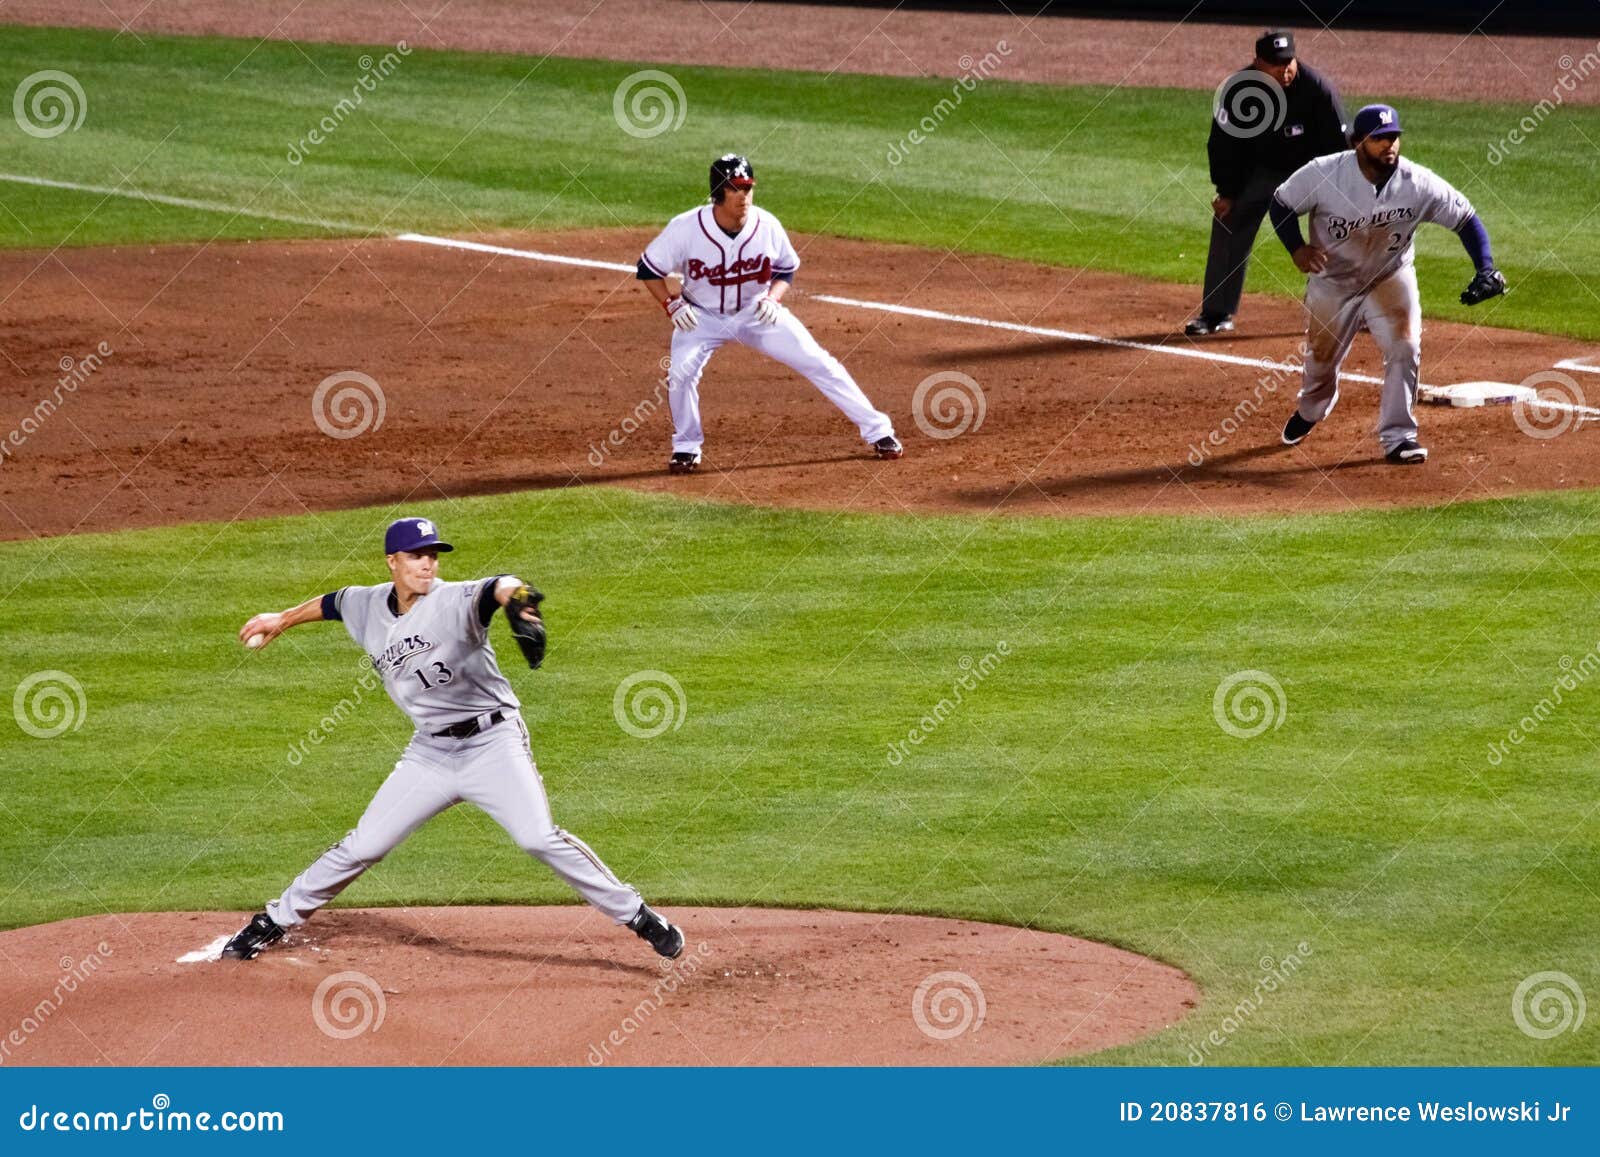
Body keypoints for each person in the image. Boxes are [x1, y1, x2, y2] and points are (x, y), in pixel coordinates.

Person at [219, 516, 684, 961]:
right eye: (416, 555)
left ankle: (640, 917)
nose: (427, 564)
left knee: (538, 838)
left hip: (493, 742)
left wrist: (520, 600)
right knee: (365, 845)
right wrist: (281, 618)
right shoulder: (366, 603)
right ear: (392, 562)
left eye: (434, 556)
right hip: (431, 753)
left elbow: (498, 586)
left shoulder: (453, 599)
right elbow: (332, 602)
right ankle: (272, 921)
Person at [637, 153, 902, 474]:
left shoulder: (766, 225)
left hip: (757, 313)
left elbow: (786, 270)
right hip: (702, 317)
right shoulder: (686, 228)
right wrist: (672, 304)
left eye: (747, 188)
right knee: (680, 374)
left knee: (818, 362)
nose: (743, 196)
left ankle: (879, 431)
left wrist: (774, 299)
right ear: (718, 192)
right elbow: (648, 269)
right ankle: (686, 446)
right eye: (735, 188)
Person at [1271, 103, 1507, 464]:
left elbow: (1465, 218)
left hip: (1389, 277)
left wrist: (1485, 267)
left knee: (1405, 347)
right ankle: (1313, 407)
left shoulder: (1416, 182)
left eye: (1394, 137)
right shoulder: (1323, 173)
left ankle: (1399, 437)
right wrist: (1296, 248)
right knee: (1321, 362)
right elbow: (1281, 203)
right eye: (1379, 139)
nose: (1389, 146)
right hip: (1333, 283)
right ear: (1358, 143)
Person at [1186, 29, 1348, 336]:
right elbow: (1222, 145)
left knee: (1344, 223)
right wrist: (1227, 191)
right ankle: (1216, 313)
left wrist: (1342, 193)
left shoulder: (1317, 89)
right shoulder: (1238, 91)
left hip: (1312, 172)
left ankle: (1355, 307)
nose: (1284, 70)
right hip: (1263, 172)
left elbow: (1339, 147)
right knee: (1228, 220)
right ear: (1257, 62)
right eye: (1275, 64)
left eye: (1289, 62)